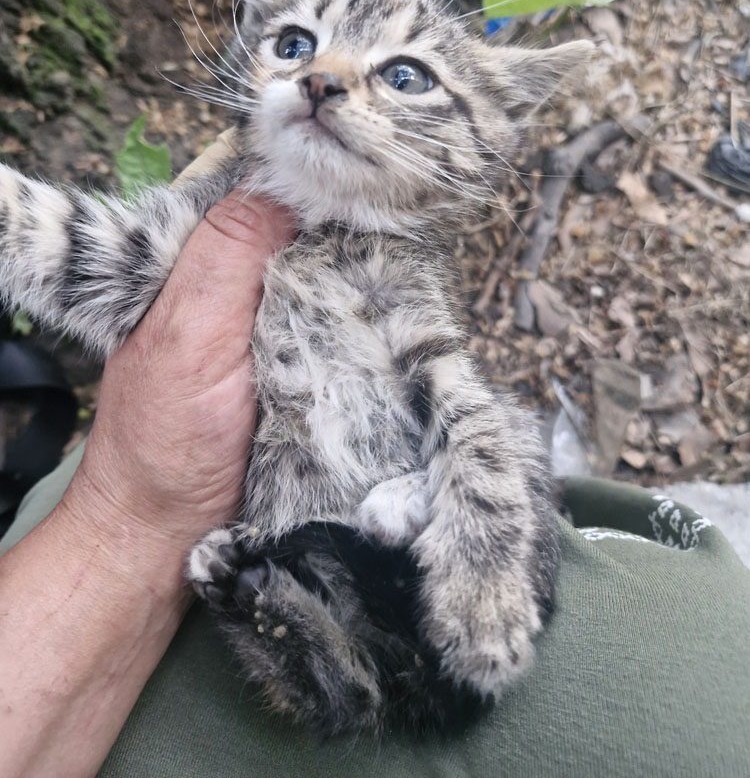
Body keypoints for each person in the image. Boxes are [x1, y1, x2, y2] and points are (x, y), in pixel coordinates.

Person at [1, 188, 749, 778]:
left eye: (400, 77)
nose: (324, 81)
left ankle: (326, 647)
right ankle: (327, 655)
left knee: (483, 450)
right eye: (293, 45)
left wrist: (129, 510)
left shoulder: (397, 248)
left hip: (326, 519)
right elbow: (77, 257)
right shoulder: (239, 205)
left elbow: (460, 405)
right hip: (298, 528)